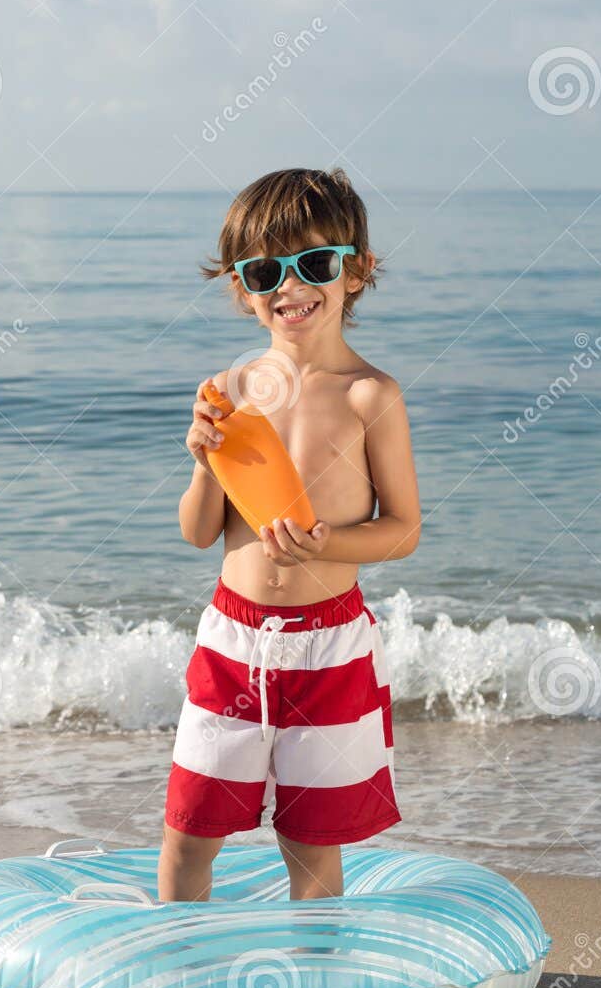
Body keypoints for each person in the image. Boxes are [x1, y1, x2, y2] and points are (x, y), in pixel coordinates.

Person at [161, 167, 421, 902]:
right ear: (242, 289)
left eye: (314, 264)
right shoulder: (230, 391)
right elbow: (197, 532)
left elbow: (403, 530)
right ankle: (180, 983)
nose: (290, 287)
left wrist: (327, 546)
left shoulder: (370, 396)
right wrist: (203, 463)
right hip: (233, 642)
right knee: (190, 833)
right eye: (265, 271)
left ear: (355, 272)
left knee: (310, 846)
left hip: (330, 647)